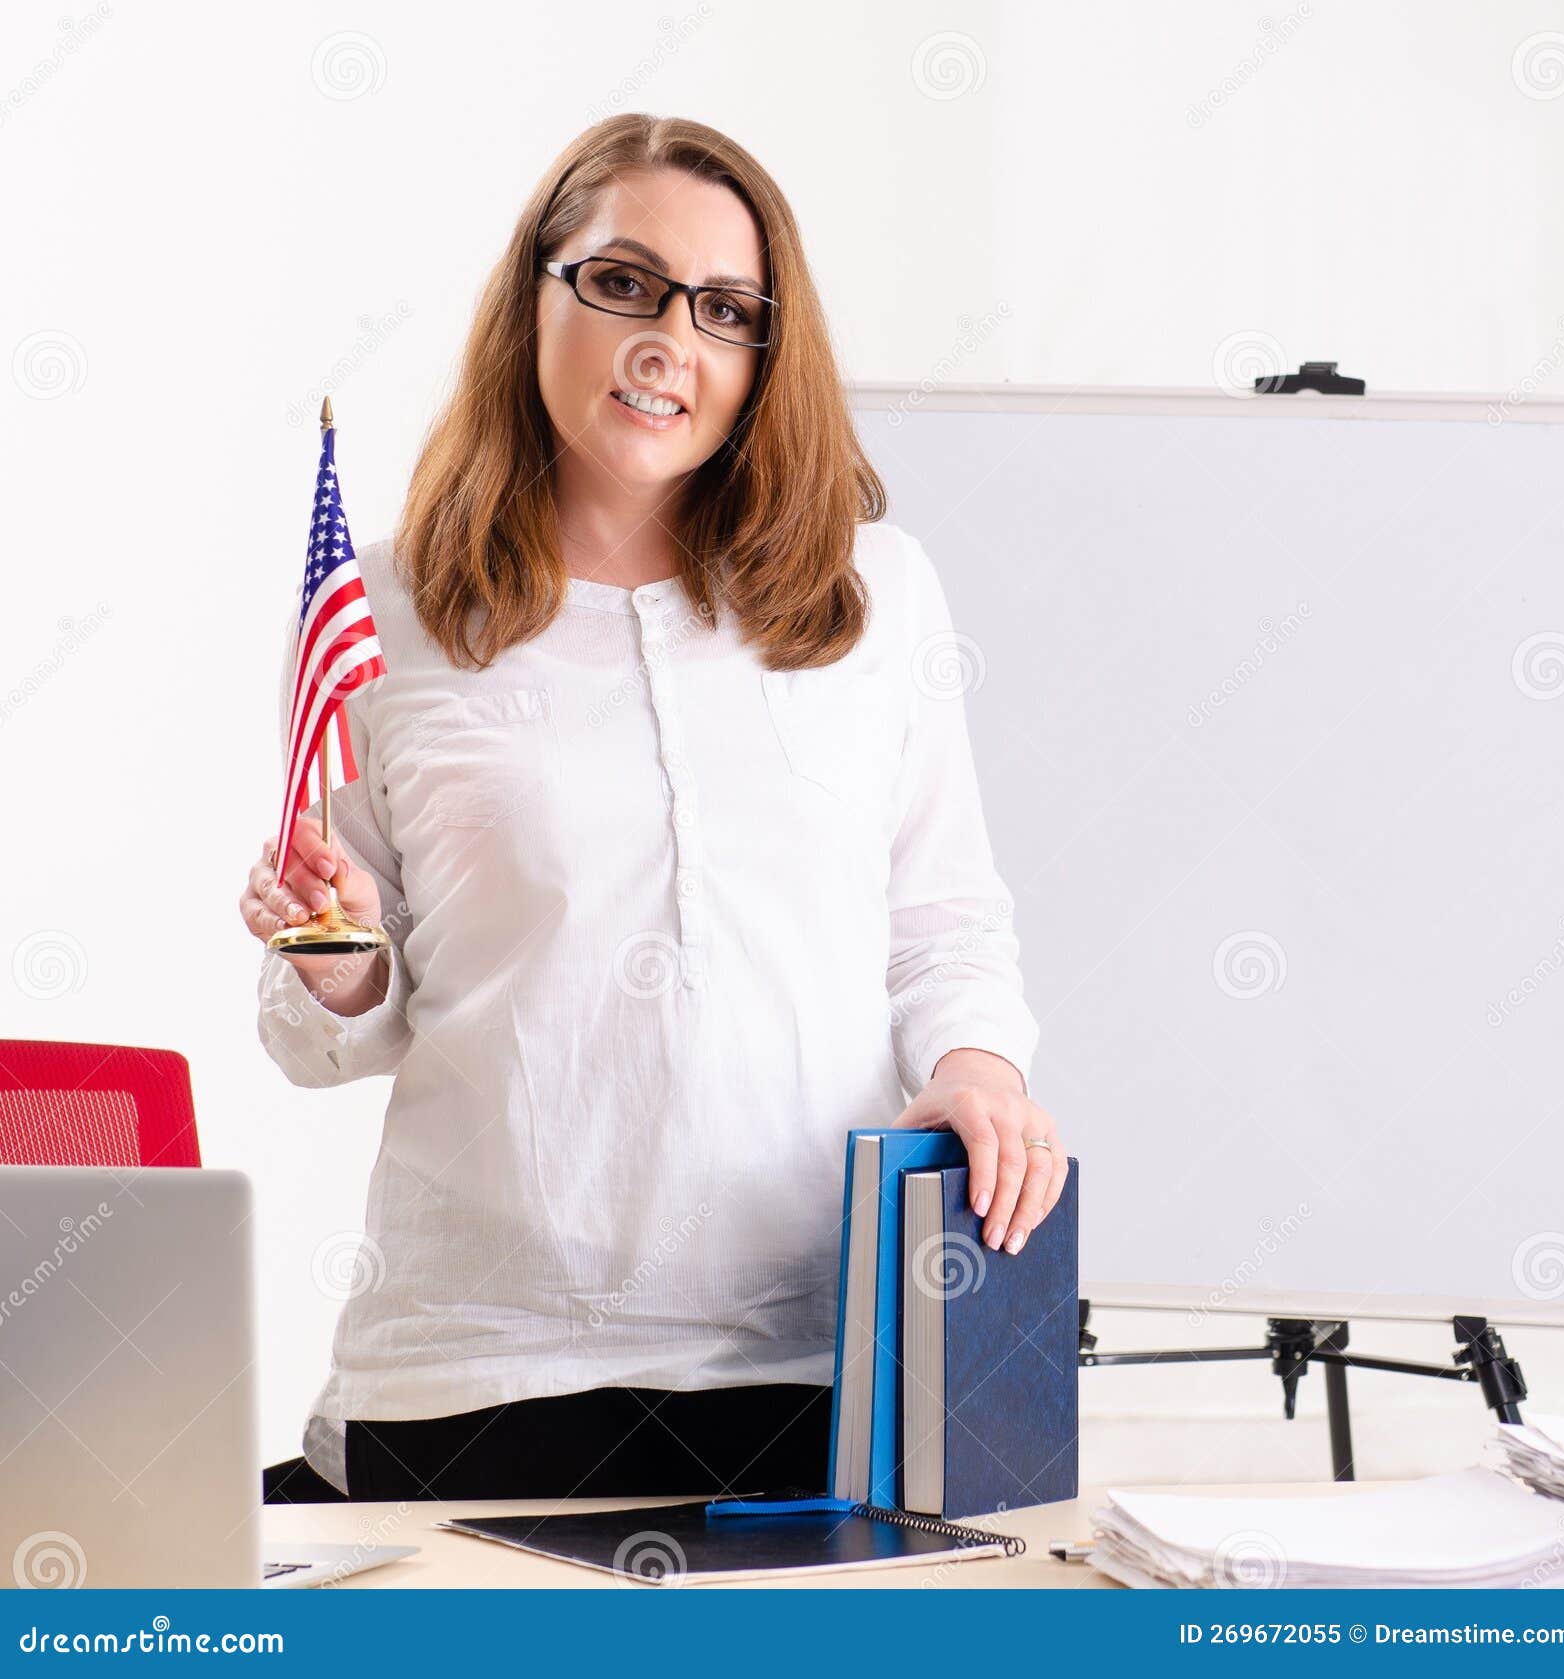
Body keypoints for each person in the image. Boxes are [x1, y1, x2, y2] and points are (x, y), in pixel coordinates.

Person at [241, 113, 1068, 1504]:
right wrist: (338, 959)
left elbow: (943, 922)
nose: (667, 340)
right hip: (478, 1373)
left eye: (726, 310)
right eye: (621, 282)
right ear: (536, 296)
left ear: (763, 356)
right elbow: (336, 1028)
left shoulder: (878, 598)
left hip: (823, 1364)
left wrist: (982, 1075)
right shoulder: (379, 615)